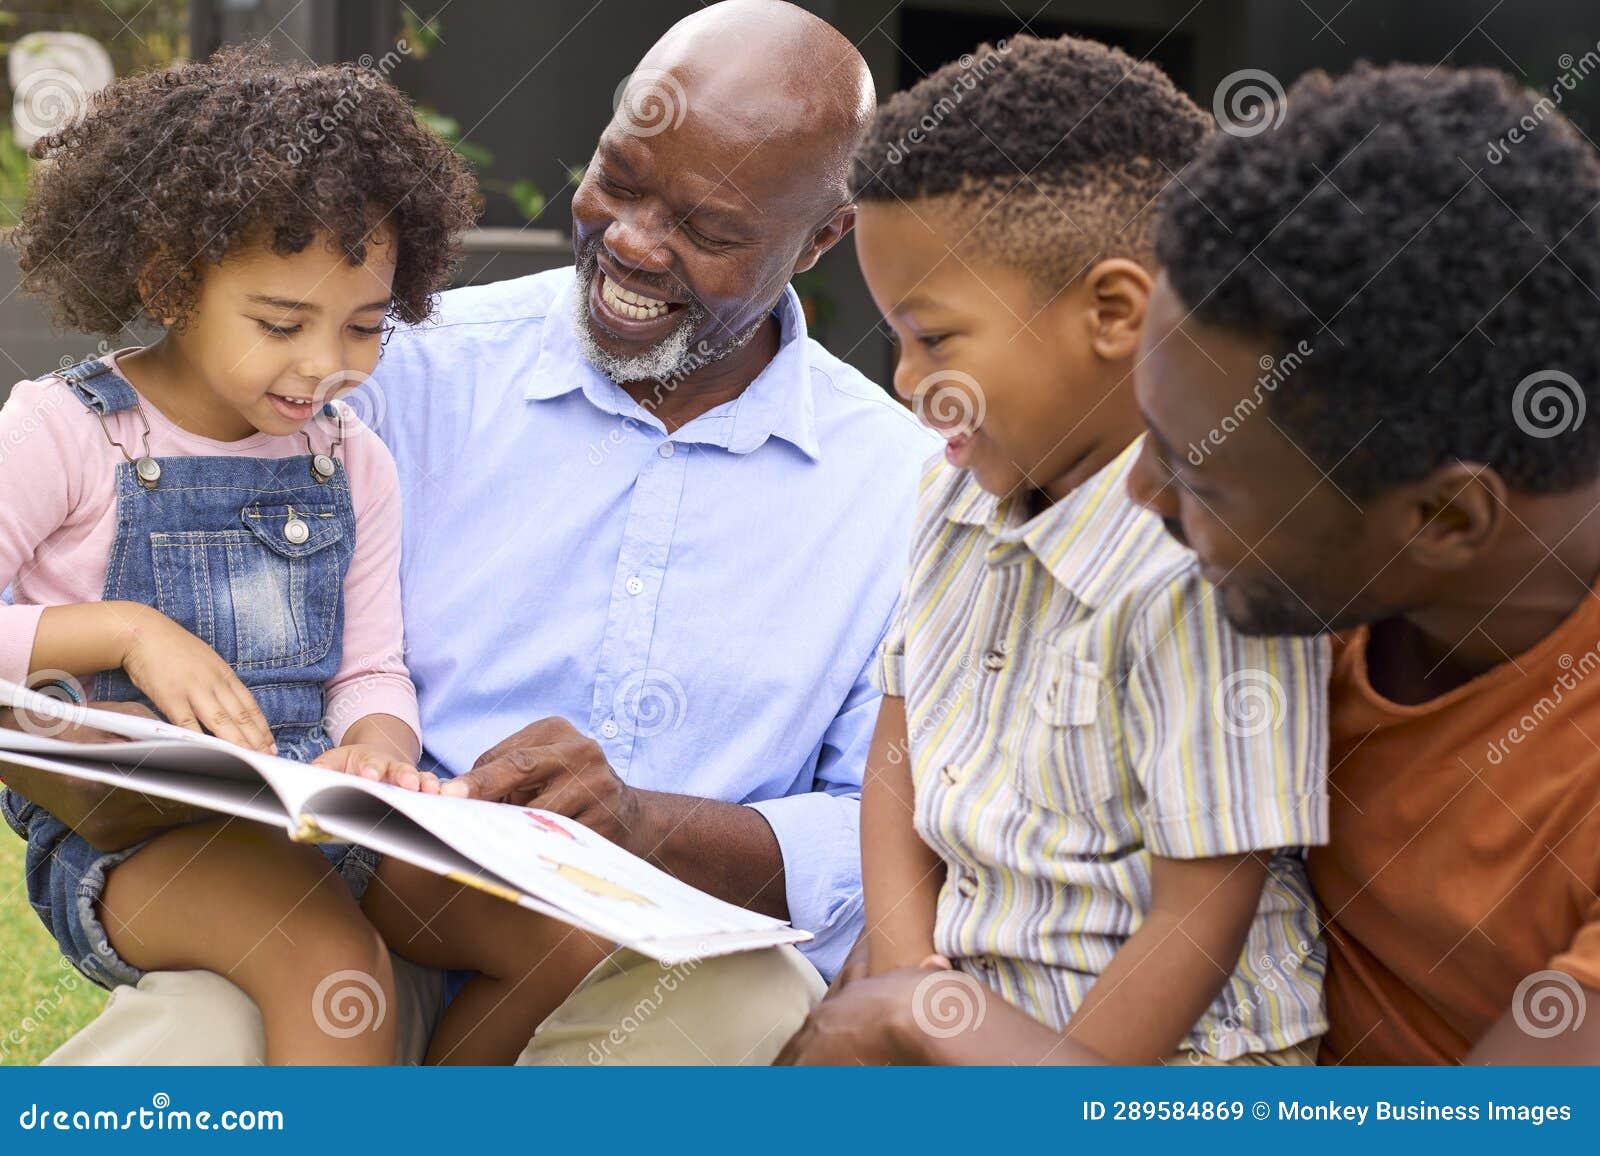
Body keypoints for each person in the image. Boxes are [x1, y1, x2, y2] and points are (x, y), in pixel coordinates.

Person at [29, 0, 936, 1066]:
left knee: (747, 998)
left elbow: (881, 826)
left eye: (707, 229)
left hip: (652, 978)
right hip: (348, 909)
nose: (635, 243)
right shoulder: (384, 368)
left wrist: (647, 825)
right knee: (190, 1045)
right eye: (621, 181)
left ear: (823, 235)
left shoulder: (901, 489)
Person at [777, 35, 1329, 1066]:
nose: (903, 378)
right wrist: (907, 979)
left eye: (934, 338)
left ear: (1111, 313)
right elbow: (895, 755)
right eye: (895, 336)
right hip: (954, 1021)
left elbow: (1200, 912)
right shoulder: (949, 488)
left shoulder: (1205, 560)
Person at [0, 47, 479, 1063]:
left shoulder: (353, 463)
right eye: (280, 322)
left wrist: (380, 753)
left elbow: (370, 667)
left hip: (312, 813)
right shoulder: (63, 431)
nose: (326, 365)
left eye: (363, 328)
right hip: (130, 837)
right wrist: (128, 632)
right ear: (172, 281)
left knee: (539, 933)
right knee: (330, 963)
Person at [1124, 62, 1600, 1063]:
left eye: (1200, 481)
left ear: (1441, 516)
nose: (1138, 494)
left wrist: (953, 1050)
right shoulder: (1310, 583)